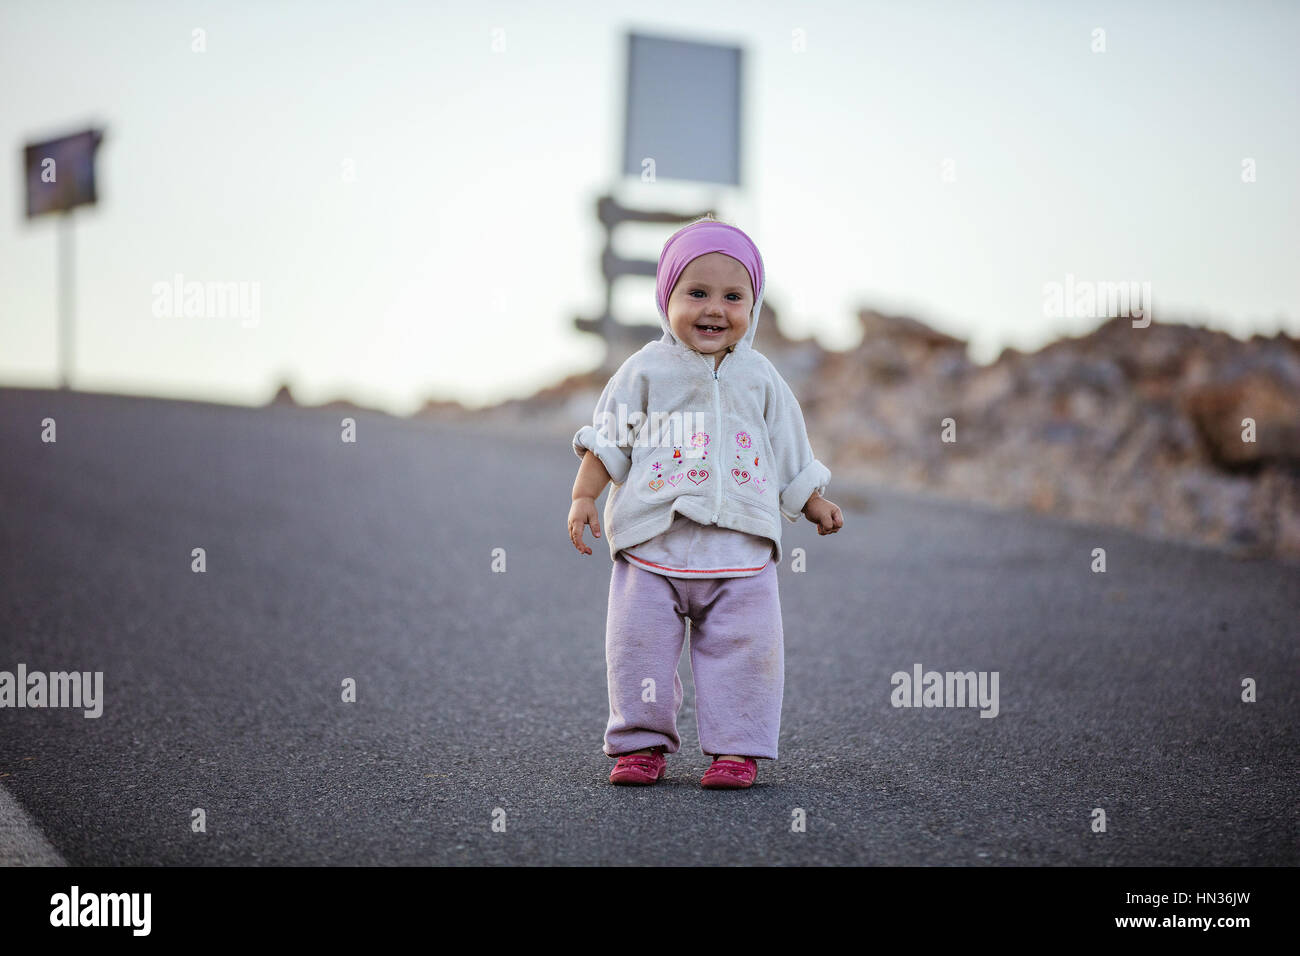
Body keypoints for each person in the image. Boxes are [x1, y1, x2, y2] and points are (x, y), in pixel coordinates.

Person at [567, 217, 844, 789]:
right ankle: (641, 745)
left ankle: (736, 750)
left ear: (754, 305)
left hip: (741, 551)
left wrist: (810, 501)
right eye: (696, 293)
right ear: (667, 297)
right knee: (638, 650)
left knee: (746, 654)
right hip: (652, 545)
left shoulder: (762, 378)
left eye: (732, 296)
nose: (714, 308)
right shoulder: (644, 370)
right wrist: (584, 495)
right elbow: (609, 438)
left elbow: (790, 447)